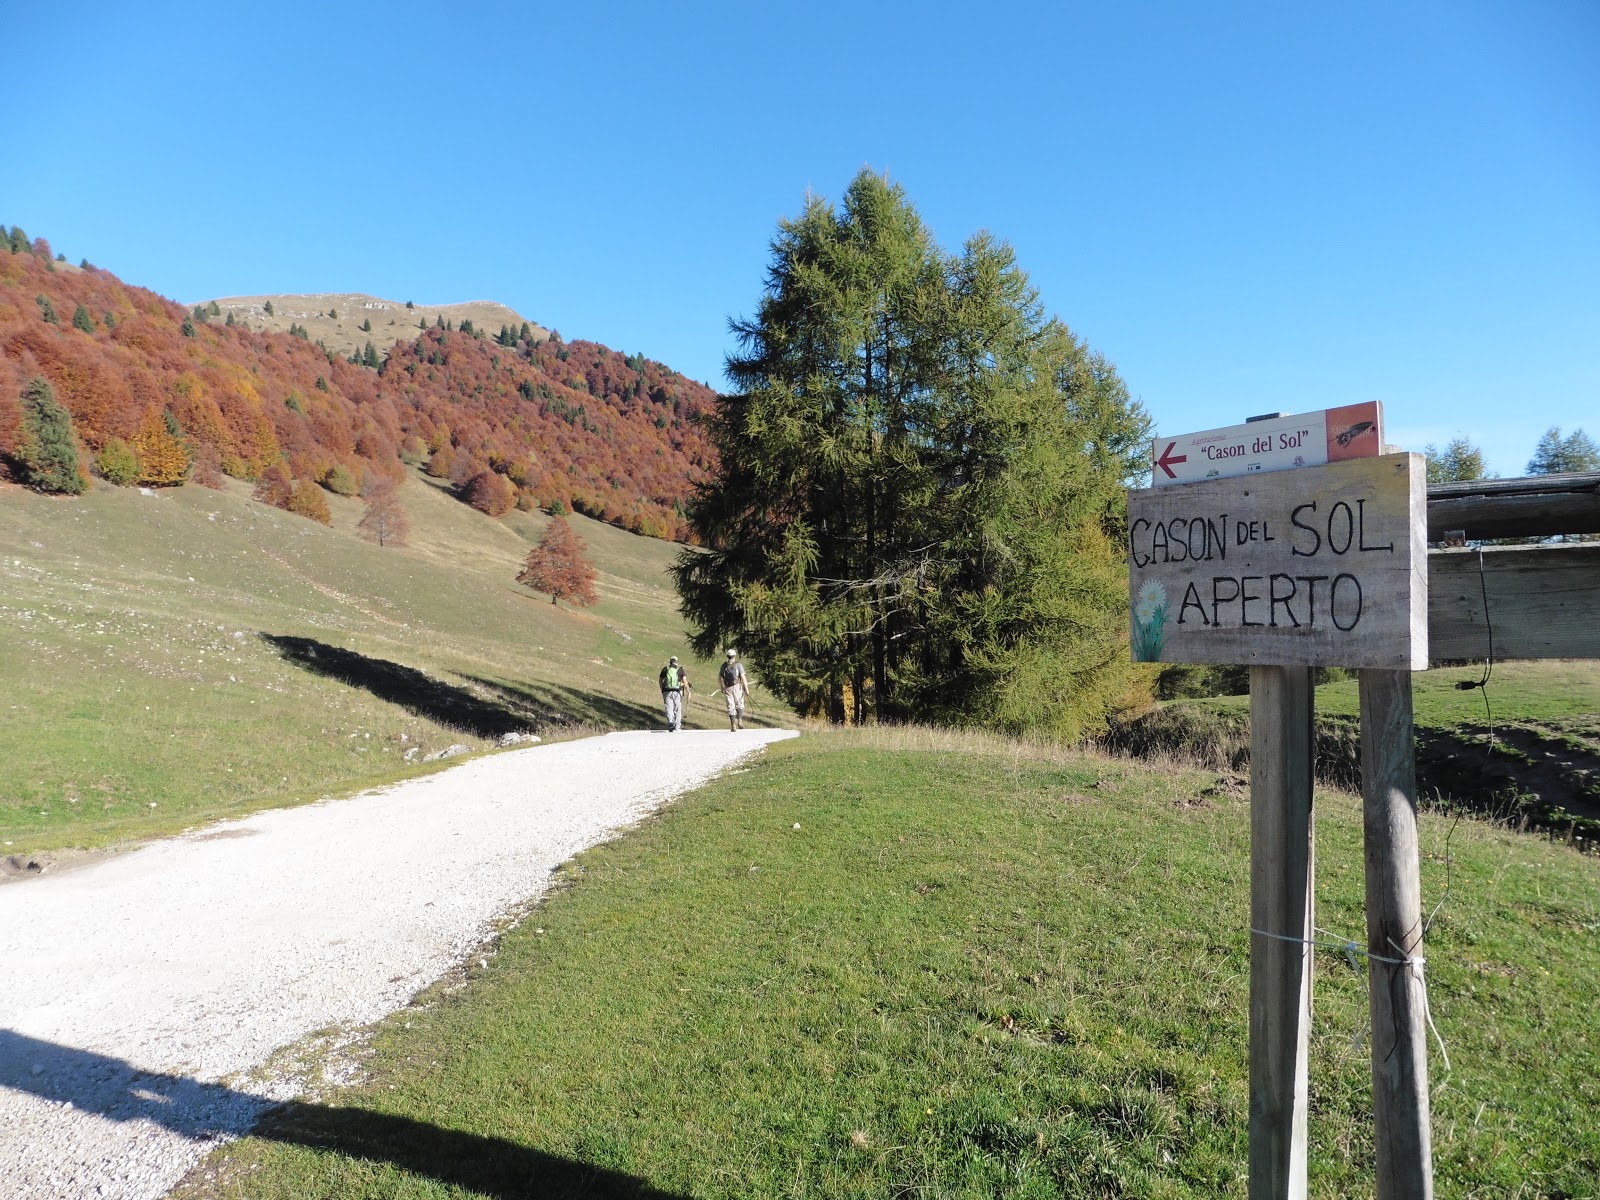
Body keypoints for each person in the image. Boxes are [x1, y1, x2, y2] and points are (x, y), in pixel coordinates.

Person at [717, 648, 750, 732]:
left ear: (728, 656)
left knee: (730, 706)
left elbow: (720, 678)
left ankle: (733, 725)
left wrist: (722, 687)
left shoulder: (724, 665)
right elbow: (743, 677)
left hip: (727, 687)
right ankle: (740, 721)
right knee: (739, 703)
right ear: (734, 656)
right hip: (737, 686)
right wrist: (746, 689)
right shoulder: (738, 665)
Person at [658, 655, 690, 731]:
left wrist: (662, 689)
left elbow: (660, 680)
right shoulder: (680, 670)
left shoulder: (665, 669)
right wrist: (688, 691)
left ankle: (670, 722)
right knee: (677, 708)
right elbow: (685, 682)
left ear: (670, 662)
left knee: (669, 707)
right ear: (676, 662)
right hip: (677, 692)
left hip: (666, 691)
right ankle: (677, 726)